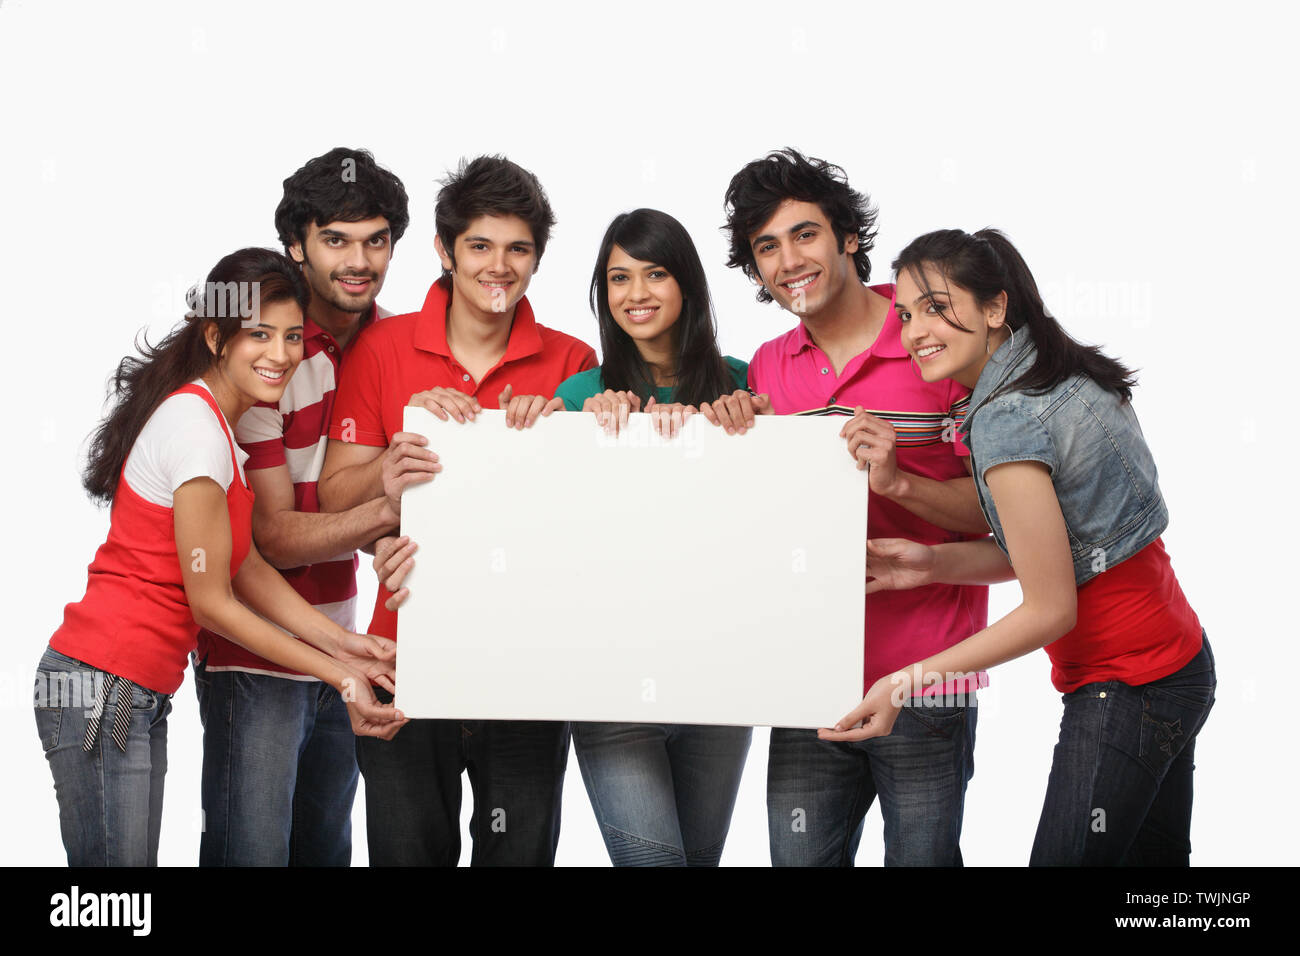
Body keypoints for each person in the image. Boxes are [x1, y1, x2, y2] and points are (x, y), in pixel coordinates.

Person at [823, 228, 1214, 866]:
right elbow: (1061, 551)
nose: (915, 330)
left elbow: (1051, 608)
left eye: (936, 307)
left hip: (1129, 680)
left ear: (995, 308)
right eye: (905, 314)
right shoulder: (1058, 375)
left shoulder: (1006, 418)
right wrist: (934, 563)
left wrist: (903, 683)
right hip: (1179, 661)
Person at [34, 248, 405, 867]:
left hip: (129, 688)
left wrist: (347, 647)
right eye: (259, 335)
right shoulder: (198, 432)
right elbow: (213, 603)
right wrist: (337, 675)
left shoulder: (216, 426)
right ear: (217, 336)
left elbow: (244, 567)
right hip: (99, 684)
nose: (281, 355)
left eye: (292, 336)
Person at [702, 149, 989, 866]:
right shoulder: (769, 363)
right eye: (766, 247)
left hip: (929, 673)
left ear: (849, 238)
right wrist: (743, 437)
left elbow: (998, 518)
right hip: (809, 676)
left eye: (804, 235)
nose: (788, 260)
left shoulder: (934, 333)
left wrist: (898, 481)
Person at [318, 155, 597, 866]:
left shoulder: (572, 360)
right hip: (404, 656)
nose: (498, 267)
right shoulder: (381, 347)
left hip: (530, 662)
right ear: (445, 251)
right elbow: (333, 495)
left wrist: (553, 430)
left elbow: (591, 522)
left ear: (537, 258)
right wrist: (390, 470)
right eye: (479, 246)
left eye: (518, 249)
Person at [191, 148, 411, 866]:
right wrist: (386, 510)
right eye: (336, 240)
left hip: (342, 632)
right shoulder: (269, 355)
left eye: (375, 239)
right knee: (252, 852)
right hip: (253, 646)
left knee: (326, 849)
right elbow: (274, 537)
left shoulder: (391, 346)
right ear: (297, 246)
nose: (359, 260)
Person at [549, 208, 753, 865]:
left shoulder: (746, 385)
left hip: (718, 679)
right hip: (611, 682)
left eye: (655, 273)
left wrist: (752, 429)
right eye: (618, 278)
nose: (635, 293)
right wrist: (589, 429)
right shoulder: (582, 395)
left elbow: (771, 527)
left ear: (687, 284)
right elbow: (553, 539)